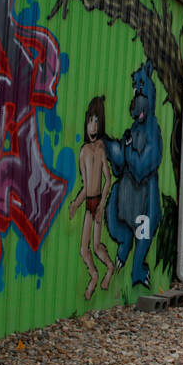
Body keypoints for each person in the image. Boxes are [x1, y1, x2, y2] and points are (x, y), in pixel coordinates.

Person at [68, 96, 115, 298]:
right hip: (90, 201)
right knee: (86, 248)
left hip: (95, 202)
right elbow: (86, 186)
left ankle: (107, 270)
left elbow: (108, 178)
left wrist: (102, 203)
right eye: (90, 121)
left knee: (94, 247)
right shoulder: (84, 151)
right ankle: (95, 275)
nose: (93, 126)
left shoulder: (100, 150)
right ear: (86, 123)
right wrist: (76, 204)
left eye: (97, 122)